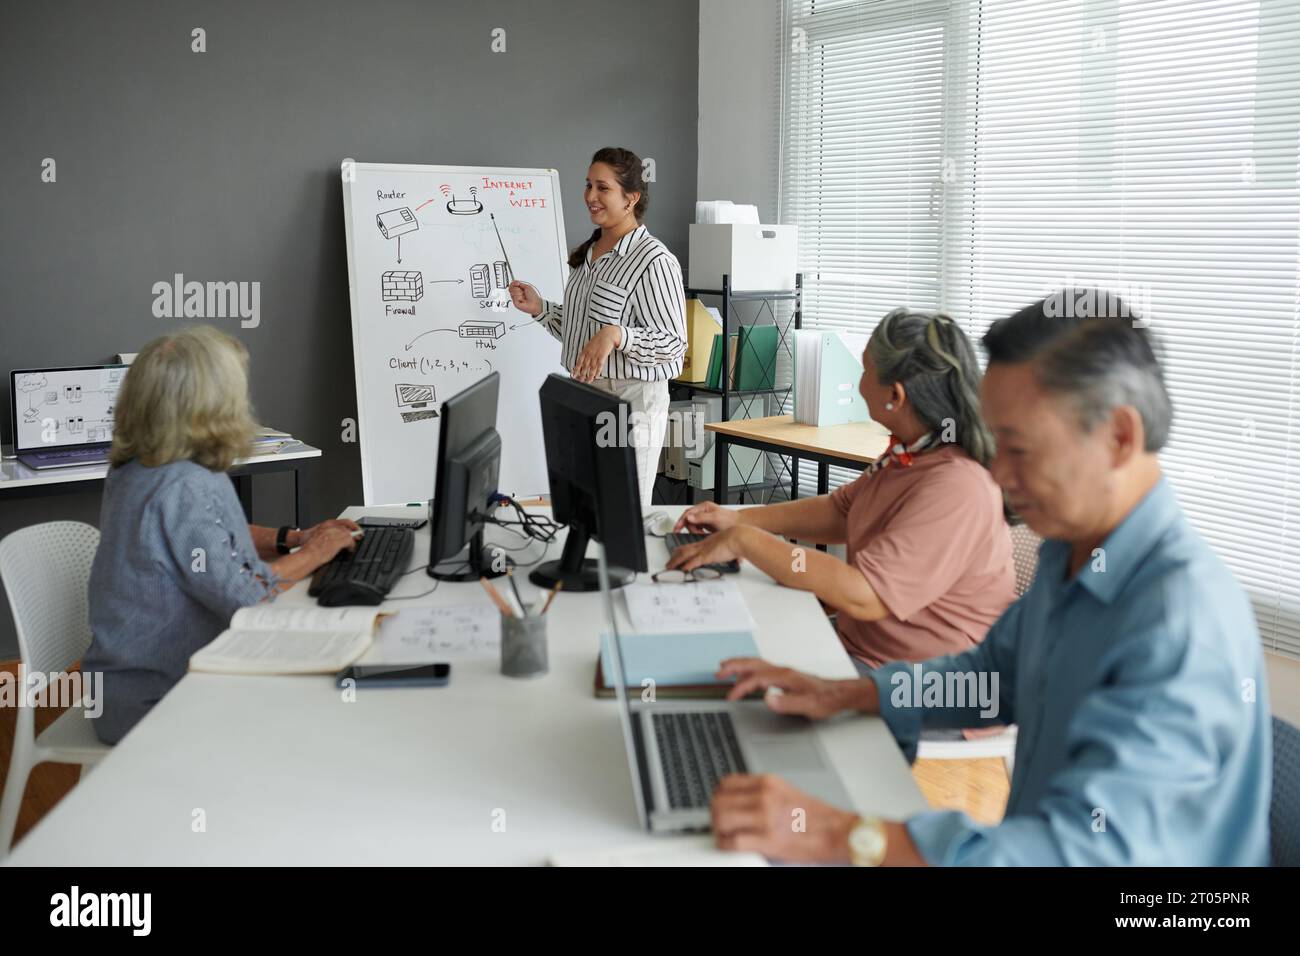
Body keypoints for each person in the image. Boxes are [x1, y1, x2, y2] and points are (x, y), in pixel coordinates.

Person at [707, 293, 1271, 866]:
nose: (998, 474)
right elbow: (990, 679)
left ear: (1119, 438)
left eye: (1020, 449)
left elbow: (1078, 854)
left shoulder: (1180, 624)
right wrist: (845, 692)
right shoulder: (1071, 554)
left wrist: (836, 836)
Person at [668, 308, 1015, 668]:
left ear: (894, 395)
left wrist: (746, 541)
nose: (858, 379)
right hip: (861, 648)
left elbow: (866, 593)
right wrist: (738, 519)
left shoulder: (958, 486)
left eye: (865, 370)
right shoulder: (910, 450)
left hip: (915, 684)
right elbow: (841, 511)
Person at [83, 325, 359, 743]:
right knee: (327, 693)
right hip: (157, 702)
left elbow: (205, 536)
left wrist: (292, 539)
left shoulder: (140, 466)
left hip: (121, 687)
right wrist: (318, 552)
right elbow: (249, 597)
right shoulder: (185, 484)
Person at [508, 146, 686, 509]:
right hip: (585, 396)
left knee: (622, 509)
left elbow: (673, 345)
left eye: (603, 188)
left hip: (632, 399)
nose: (590, 196)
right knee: (586, 507)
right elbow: (583, 337)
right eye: (588, 185)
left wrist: (618, 334)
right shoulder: (588, 255)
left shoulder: (654, 261)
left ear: (631, 198)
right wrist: (540, 308)